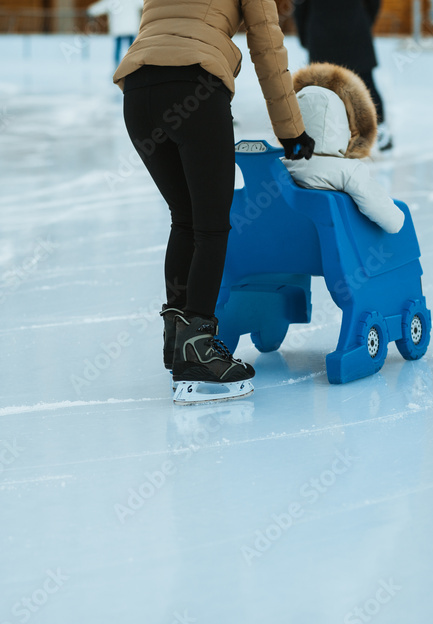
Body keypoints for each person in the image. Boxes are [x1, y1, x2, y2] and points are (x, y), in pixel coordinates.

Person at [113, 0, 314, 404]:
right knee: (210, 224)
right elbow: (267, 46)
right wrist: (291, 129)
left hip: (138, 92)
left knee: (184, 217)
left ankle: (178, 340)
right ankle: (199, 349)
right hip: (195, 88)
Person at [282, 64, 404, 233]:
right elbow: (393, 222)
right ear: (342, 128)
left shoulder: (280, 165)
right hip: (336, 254)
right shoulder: (349, 172)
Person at [294, 0, 393, 151]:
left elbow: (300, 6)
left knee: (323, 89)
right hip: (351, 29)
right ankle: (381, 132)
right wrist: (365, 21)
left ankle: (321, 139)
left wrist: (304, 35)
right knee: (365, 84)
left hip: (324, 33)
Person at [86, 0, 143, 66]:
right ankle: (133, 64)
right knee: (132, 48)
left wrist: (90, 11)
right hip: (130, 28)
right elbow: (144, 4)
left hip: (118, 28)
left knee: (118, 48)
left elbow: (100, 6)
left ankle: (116, 66)